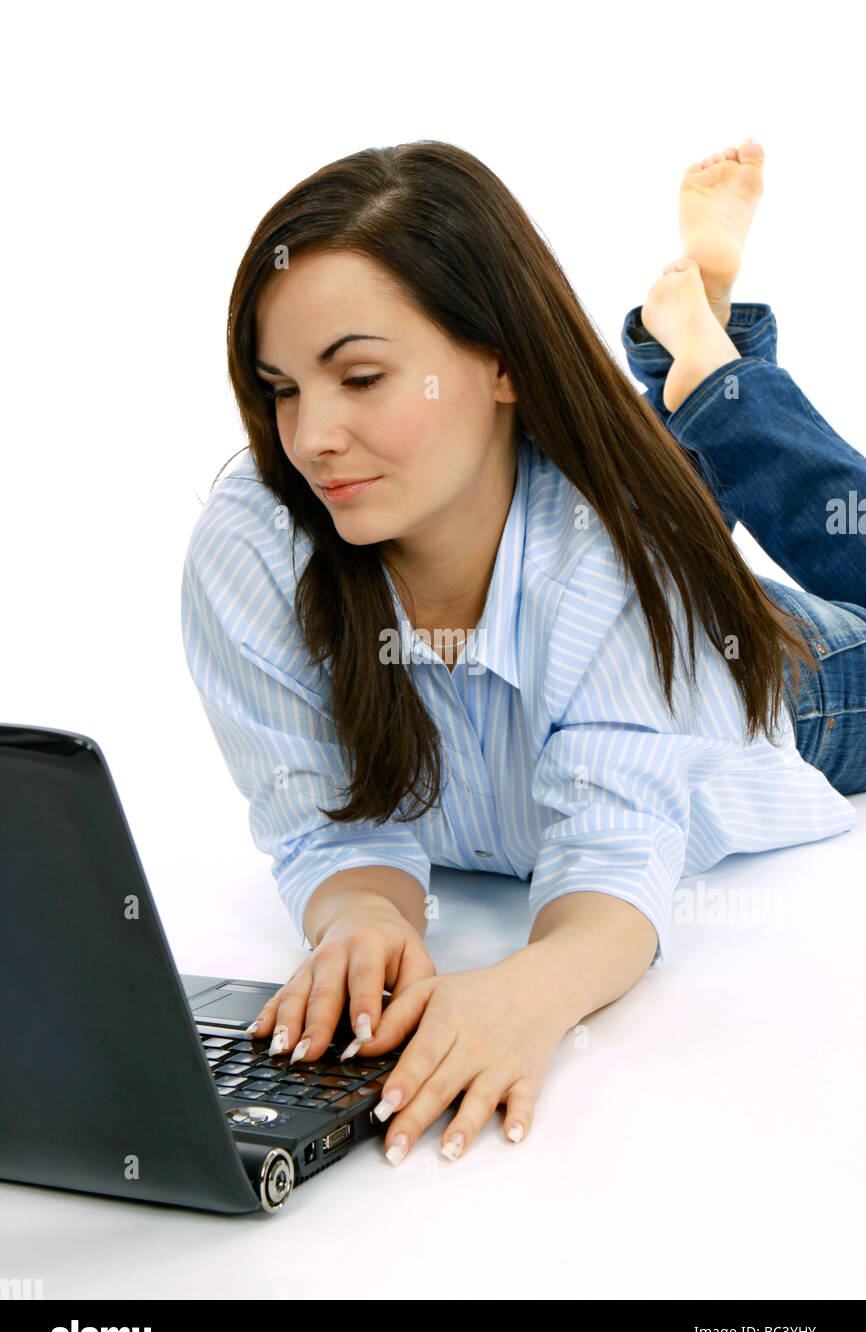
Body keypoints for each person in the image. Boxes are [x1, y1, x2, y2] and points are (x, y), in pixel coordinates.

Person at [181, 139, 865, 1167]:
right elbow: (315, 812)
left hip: (769, 677)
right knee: (648, 484)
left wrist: (530, 991)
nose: (309, 436)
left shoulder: (609, 547)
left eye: (359, 376)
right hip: (616, 543)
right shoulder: (252, 544)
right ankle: (689, 370)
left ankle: (715, 375)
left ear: (499, 358)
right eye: (280, 388)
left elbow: (614, 845)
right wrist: (360, 915)